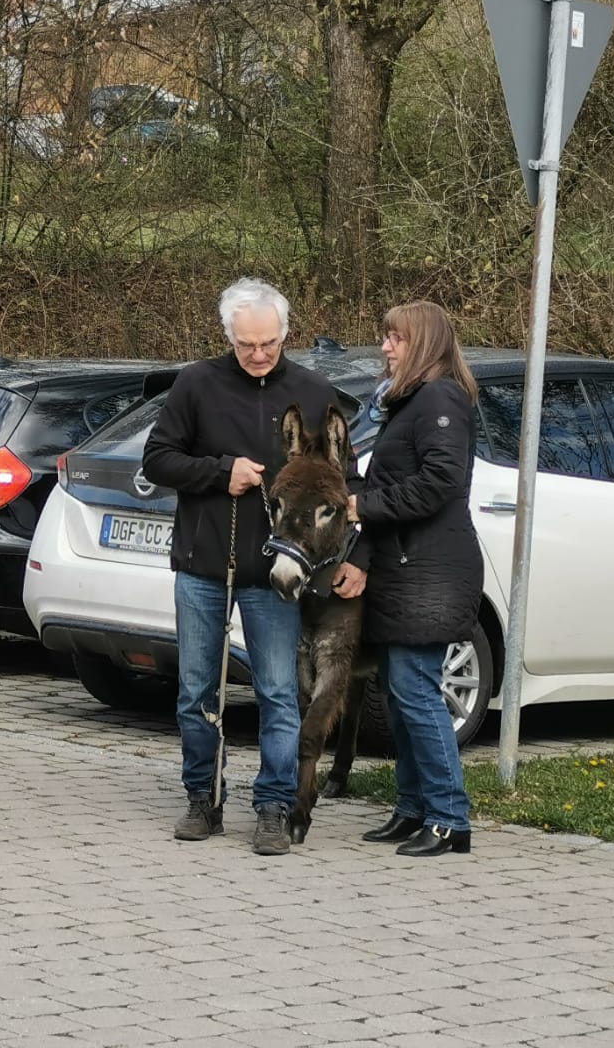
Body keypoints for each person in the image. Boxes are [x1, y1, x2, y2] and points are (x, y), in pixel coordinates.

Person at [142, 276, 367, 855]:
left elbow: (354, 489)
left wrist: (358, 559)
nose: (259, 354)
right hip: (203, 563)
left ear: (285, 333)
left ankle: (273, 804)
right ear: (228, 337)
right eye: (247, 345)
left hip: (279, 577)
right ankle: (202, 796)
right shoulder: (196, 385)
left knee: (276, 691)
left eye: (269, 342)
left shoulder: (317, 392)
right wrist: (222, 473)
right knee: (197, 690)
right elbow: (158, 459)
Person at [350, 301, 479, 857]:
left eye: (396, 339)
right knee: (399, 694)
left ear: (423, 343)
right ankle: (411, 807)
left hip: (429, 570)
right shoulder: (410, 403)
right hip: (405, 567)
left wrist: (363, 506)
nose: (385, 347)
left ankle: (450, 817)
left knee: (415, 692)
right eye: (385, 337)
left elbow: (441, 481)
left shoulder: (441, 398)